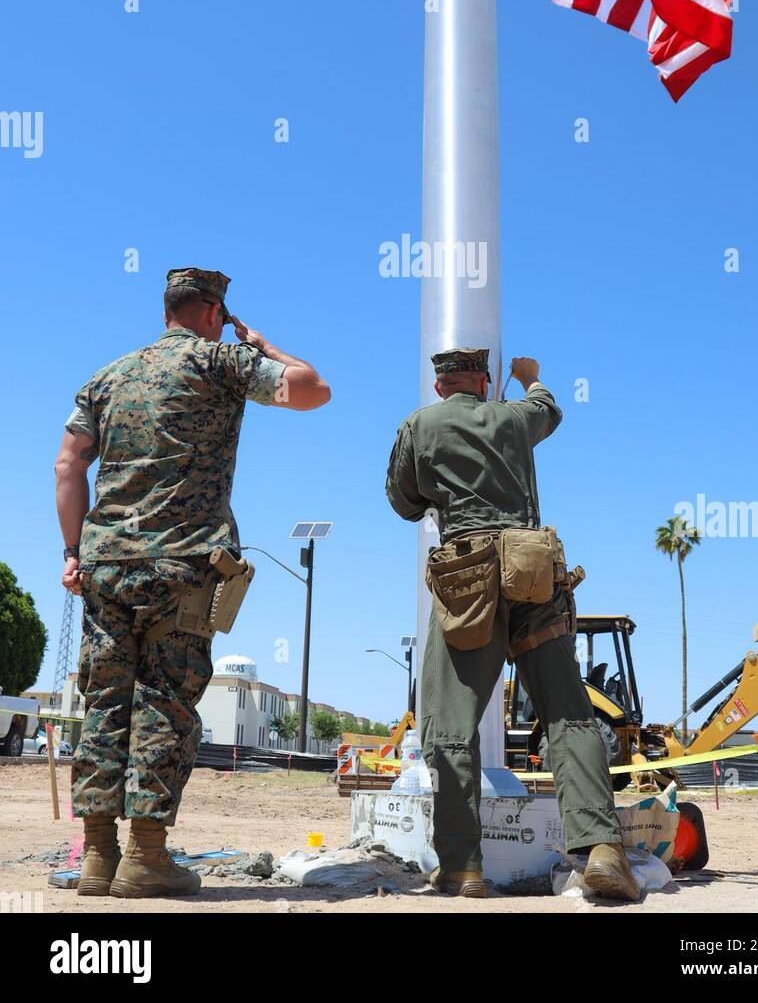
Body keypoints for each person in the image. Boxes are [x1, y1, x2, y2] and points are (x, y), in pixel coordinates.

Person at [55, 267, 330, 898]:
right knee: (165, 701)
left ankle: (97, 855)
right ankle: (146, 857)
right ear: (214, 312)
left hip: (105, 566)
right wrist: (262, 346)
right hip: (183, 565)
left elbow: (68, 463)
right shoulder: (220, 362)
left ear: (165, 312)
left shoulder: (108, 376)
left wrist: (73, 551)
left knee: (104, 702)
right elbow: (314, 390)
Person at [386, 349, 639, 902]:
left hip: (467, 581)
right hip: (532, 571)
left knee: (451, 723)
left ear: (437, 383)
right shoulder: (514, 417)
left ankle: (463, 866)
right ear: (483, 381)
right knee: (568, 714)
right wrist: (529, 376)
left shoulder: (419, 424)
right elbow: (547, 407)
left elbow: (403, 502)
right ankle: (601, 851)